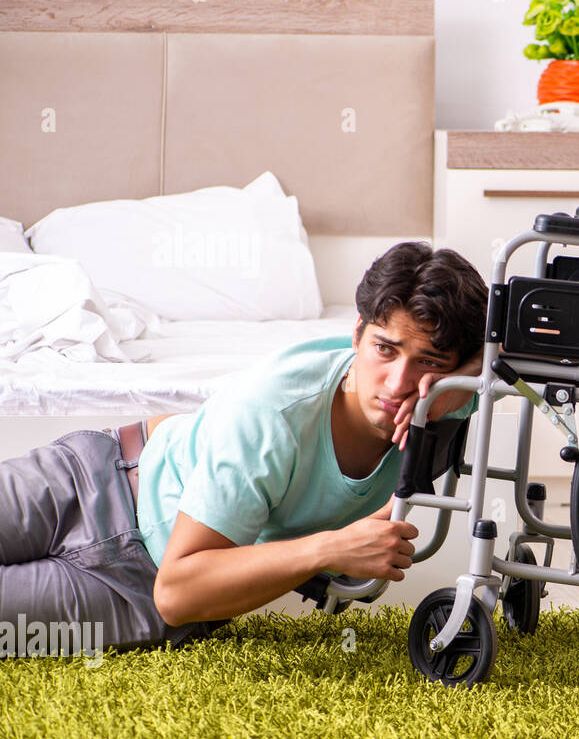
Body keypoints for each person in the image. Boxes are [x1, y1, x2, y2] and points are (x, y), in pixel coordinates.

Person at [0, 242, 487, 653]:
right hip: (91, 474)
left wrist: (463, 377)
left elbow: (175, 595)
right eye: (385, 348)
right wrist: (329, 549)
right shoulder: (273, 410)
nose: (400, 382)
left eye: (428, 361)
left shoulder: (444, 402)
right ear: (357, 335)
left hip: (138, 586)